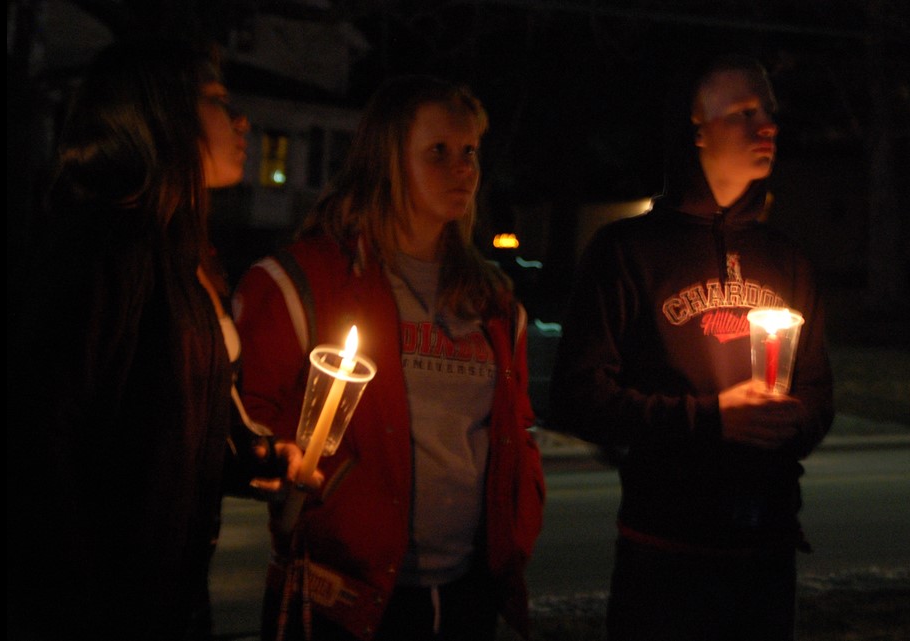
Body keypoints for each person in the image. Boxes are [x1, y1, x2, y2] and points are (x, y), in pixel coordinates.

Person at [7, 37, 313, 641]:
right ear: (161, 112)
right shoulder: (104, 253)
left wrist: (258, 460)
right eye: (218, 100)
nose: (241, 119)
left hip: (171, 601)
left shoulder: (184, 259)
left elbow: (168, 425)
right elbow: (41, 441)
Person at [232, 74, 545, 641]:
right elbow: (248, 419)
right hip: (343, 598)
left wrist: (516, 528)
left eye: (470, 151)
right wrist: (311, 485)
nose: (463, 168)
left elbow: (514, 429)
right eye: (439, 153)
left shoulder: (494, 303)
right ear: (387, 160)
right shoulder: (303, 284)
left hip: (468, 596)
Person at [548, 53, 835, 641]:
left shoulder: (788, 259)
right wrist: (711, 419)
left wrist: (788, 419)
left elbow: (818, 394)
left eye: (771, 112)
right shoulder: (628, 252)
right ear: (696, 129)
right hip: (664, 556)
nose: (768, 125)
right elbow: (579, 397)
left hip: (765, 552)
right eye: (745, 112)